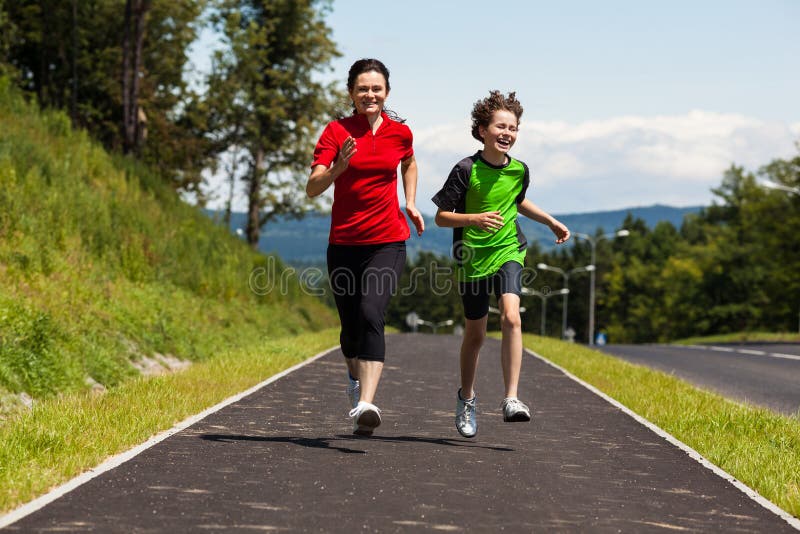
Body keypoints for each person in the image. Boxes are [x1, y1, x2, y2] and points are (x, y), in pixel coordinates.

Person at [431, 90, 570, 438]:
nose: (507, 133)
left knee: (511, 316)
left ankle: (511, 398)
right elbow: (441, 218)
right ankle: (466, 397)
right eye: (500, 126)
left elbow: (518, 202)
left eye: (514, 127)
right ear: (482, 130)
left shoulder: (519, 170)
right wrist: (474, 219)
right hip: (472, 257)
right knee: (476, 334)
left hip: (509, 249)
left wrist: (550, 221)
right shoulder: (466, 169)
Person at [306, 58, 424, 436]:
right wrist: (339, 167)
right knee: (350, 328)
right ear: (351, 93)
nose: (370, 94)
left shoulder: (400, 133)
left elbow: (409, 163)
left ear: (386, 92)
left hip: (388, 240)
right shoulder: (336, 132)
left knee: (372, 311)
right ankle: (355, 381)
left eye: (376, 88)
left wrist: (411, 201)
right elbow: (312, 187)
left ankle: (367, 403)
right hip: (344, 243)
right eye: (362, 89)